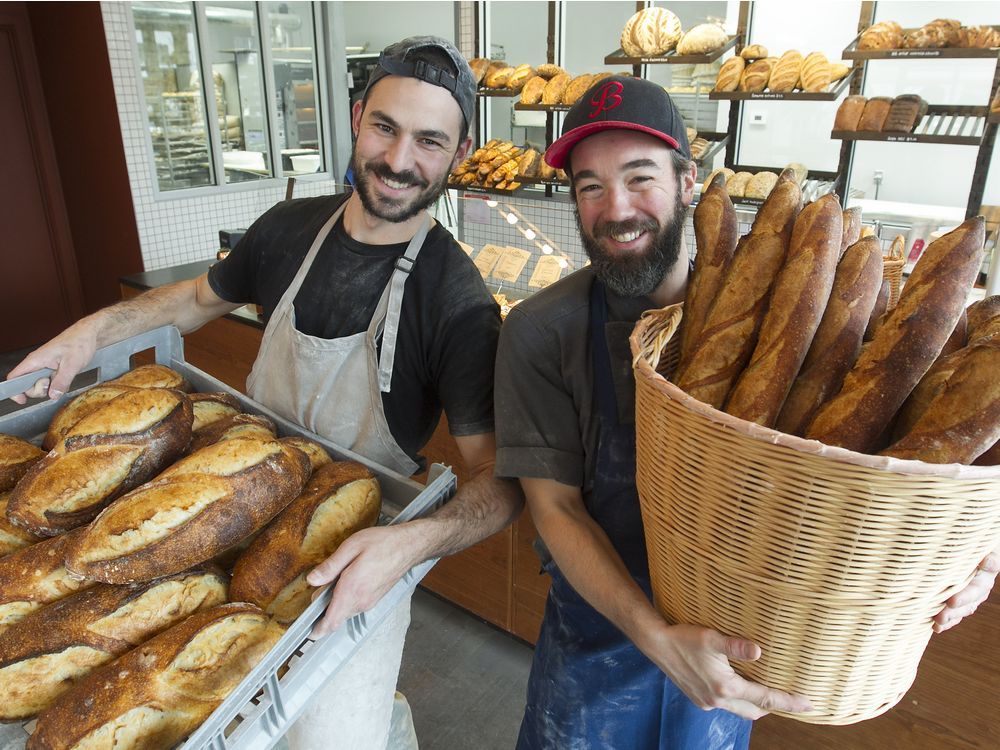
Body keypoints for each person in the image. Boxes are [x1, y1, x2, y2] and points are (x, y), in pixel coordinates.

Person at [8, 36, 522, 750]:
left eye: (429, 141)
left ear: (460, 155)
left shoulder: (456, 301)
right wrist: (88, 333)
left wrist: (412, 543)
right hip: (215, 530)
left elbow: (498, 482)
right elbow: (189, 302)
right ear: (355, 117)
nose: (401, 160)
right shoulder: (286, 230)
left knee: (335, 736)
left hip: (345, 567)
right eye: (385, 127)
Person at [493, 75, 998, 749]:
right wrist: (659, 640)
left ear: (688, 182)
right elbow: (556, 509)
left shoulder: (781, 321)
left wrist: (965, 558)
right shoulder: (539, 330)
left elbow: (857, 496)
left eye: (639, 177)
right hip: (594, 653)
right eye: (590, 186)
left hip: (729, 654)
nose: (615, 208)